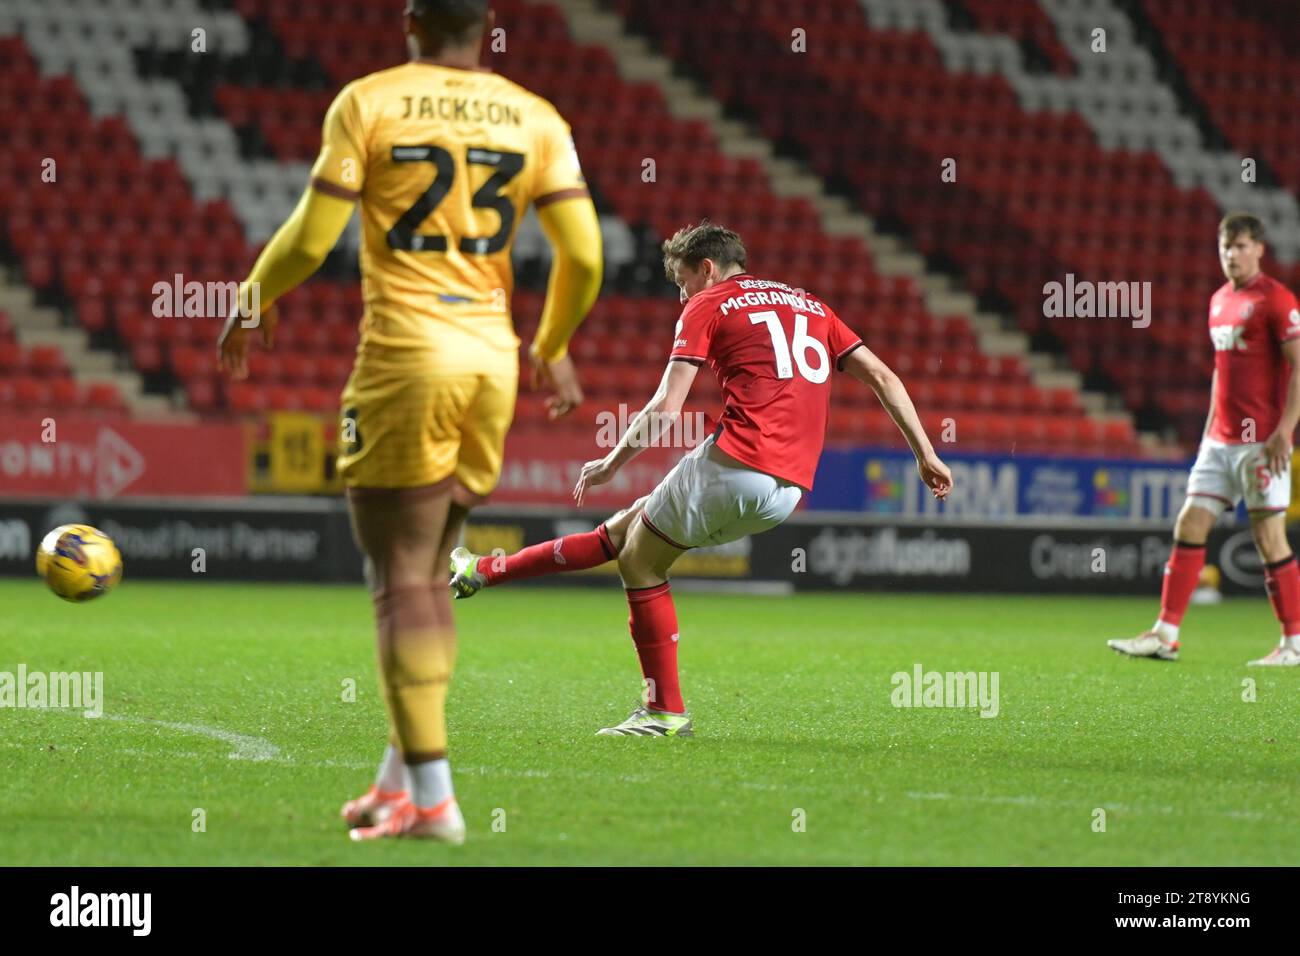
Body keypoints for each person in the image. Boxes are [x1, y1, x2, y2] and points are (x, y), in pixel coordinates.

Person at [218, 0, 603, 840]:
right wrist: (553, 342)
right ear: (487, 23)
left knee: (397, 576)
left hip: (406, 360)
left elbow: (313, 238)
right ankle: (400, 782)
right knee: (429, 570)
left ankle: (434, 799)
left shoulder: (370, 100)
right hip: (490, 364)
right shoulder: (535, 115)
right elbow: (585, 254)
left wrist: (253, 297)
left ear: (411, 20)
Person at [450, 221, 952, 735]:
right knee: (623, 531)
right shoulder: (813, 307)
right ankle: (482, 572)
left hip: (738, 462)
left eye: (681, 280)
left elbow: (668, 406)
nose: (681, 293)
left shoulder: (708, 302)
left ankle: (663, 711)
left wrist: (611, 462)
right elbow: (884, 376)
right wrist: (926, 454)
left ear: (706, 269)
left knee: (639, 563)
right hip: (789, 490)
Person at [1109, 213, 1300, 666]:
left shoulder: (1276, 300)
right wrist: (1207, 433)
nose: (1231, 255)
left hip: (1261, 443)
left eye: (1239, 246)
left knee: (1269, 539)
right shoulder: (1217, 301)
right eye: (1225, 247)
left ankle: (1294, 643)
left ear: (1258, 249)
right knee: (1189, 525)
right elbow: (1221, 373)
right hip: (1219, 441)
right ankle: (1166, 633)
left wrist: (1284, 432)